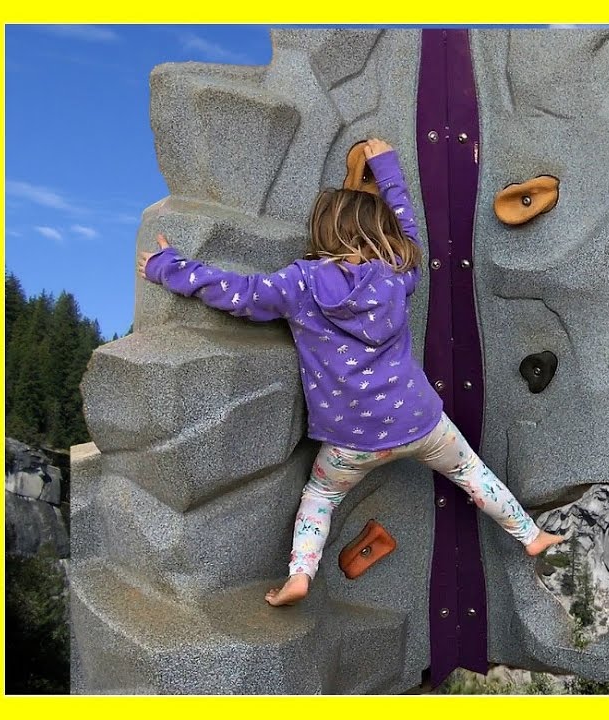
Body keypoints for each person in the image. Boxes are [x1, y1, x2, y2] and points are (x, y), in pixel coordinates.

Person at [137, 138, 564, 607]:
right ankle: (530, 535)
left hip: (350, 439)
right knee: (469, 470)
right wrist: (386, 170)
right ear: (379, 237)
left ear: (322, 233)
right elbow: (413, 237)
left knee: (320, 497)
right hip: (419, 423)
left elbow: (240, 293)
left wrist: (169, 268)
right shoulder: (396, 275)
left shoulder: (299, 282)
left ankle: (301, 574)